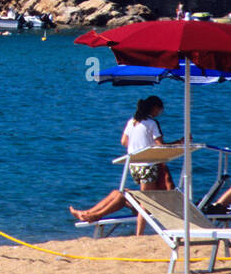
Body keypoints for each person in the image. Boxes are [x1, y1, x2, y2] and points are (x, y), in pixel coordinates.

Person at [69, 96, 180, 234]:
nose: (159, 113)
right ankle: (138, 234)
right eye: (160, 110)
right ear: (155, 108)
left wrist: (139, 146)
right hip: (147, 166)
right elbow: (161, 146)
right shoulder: (152, 123)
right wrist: (179, 143)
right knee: (145, 202)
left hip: (134, 165)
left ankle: (89, 213)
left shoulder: (132, 122)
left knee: (120, 194)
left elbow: (124, 142)